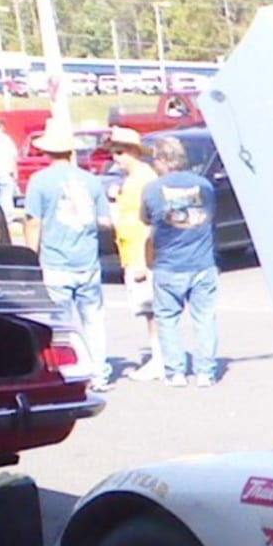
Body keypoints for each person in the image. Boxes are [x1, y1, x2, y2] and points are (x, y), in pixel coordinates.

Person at [24, 122, 114, 392]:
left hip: (56, 260)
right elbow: (104, 221)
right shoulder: (90, 180)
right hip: (86, 259)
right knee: (93, 320)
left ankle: (67, 370)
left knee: (60, 321)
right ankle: (99, 372)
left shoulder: (39, 181)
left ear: (48, 153)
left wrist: (30, 257)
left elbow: (33, 222)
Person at [141, 135, 220, 388]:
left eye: (156, 159)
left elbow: (146, 219)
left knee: (167, 318)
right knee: (204, 318)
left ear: (164, 159)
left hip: (169, 263)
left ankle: (175, 372)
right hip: (202, 261)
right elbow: (210, 215)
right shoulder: (204, 185)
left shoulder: (152, 189)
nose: (154, 164)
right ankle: (205, 371)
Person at [106, 128, 162, 381]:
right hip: (131, 251)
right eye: (113, 153)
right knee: (146, 309)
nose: (114, 158)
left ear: (132, 152)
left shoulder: (143, 178)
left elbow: (150, 221)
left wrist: (143, 260)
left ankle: (159, 358)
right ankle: (158, 356)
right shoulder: (131, 179)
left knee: (151, 308)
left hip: (142, 253)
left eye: (119, 152)